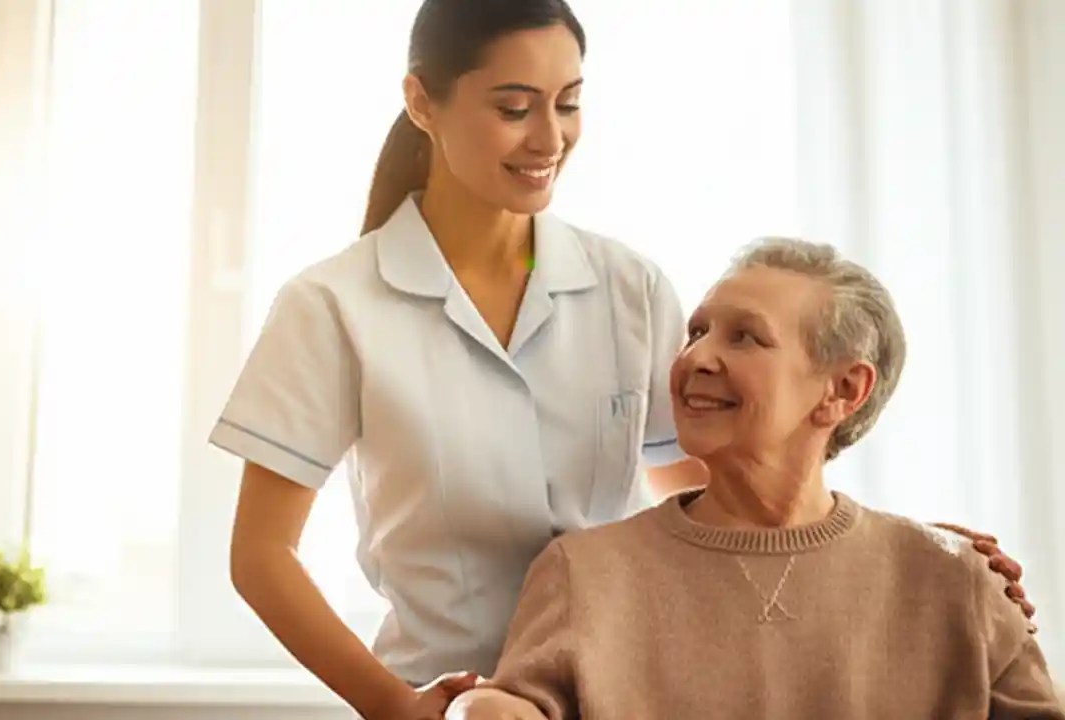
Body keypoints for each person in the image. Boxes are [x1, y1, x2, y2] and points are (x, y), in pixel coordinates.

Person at [210, 1, 1029, 718]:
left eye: (568, 104)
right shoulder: (334, 305)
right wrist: (394, 706)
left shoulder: (627, 287)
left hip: (619, 690)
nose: (550, 138)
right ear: (422, 102)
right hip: (451, 698)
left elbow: (717, 491)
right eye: (514, 107)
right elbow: (261, 557)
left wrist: (907, 559)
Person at [449, 239, 1061, 720]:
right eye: (696, 332)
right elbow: (511, 708)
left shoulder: (957, 580)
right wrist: (479, 706)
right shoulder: (583, 574)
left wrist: (949, 566)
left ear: (843, 390)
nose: (695, 359)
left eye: (744, 337)